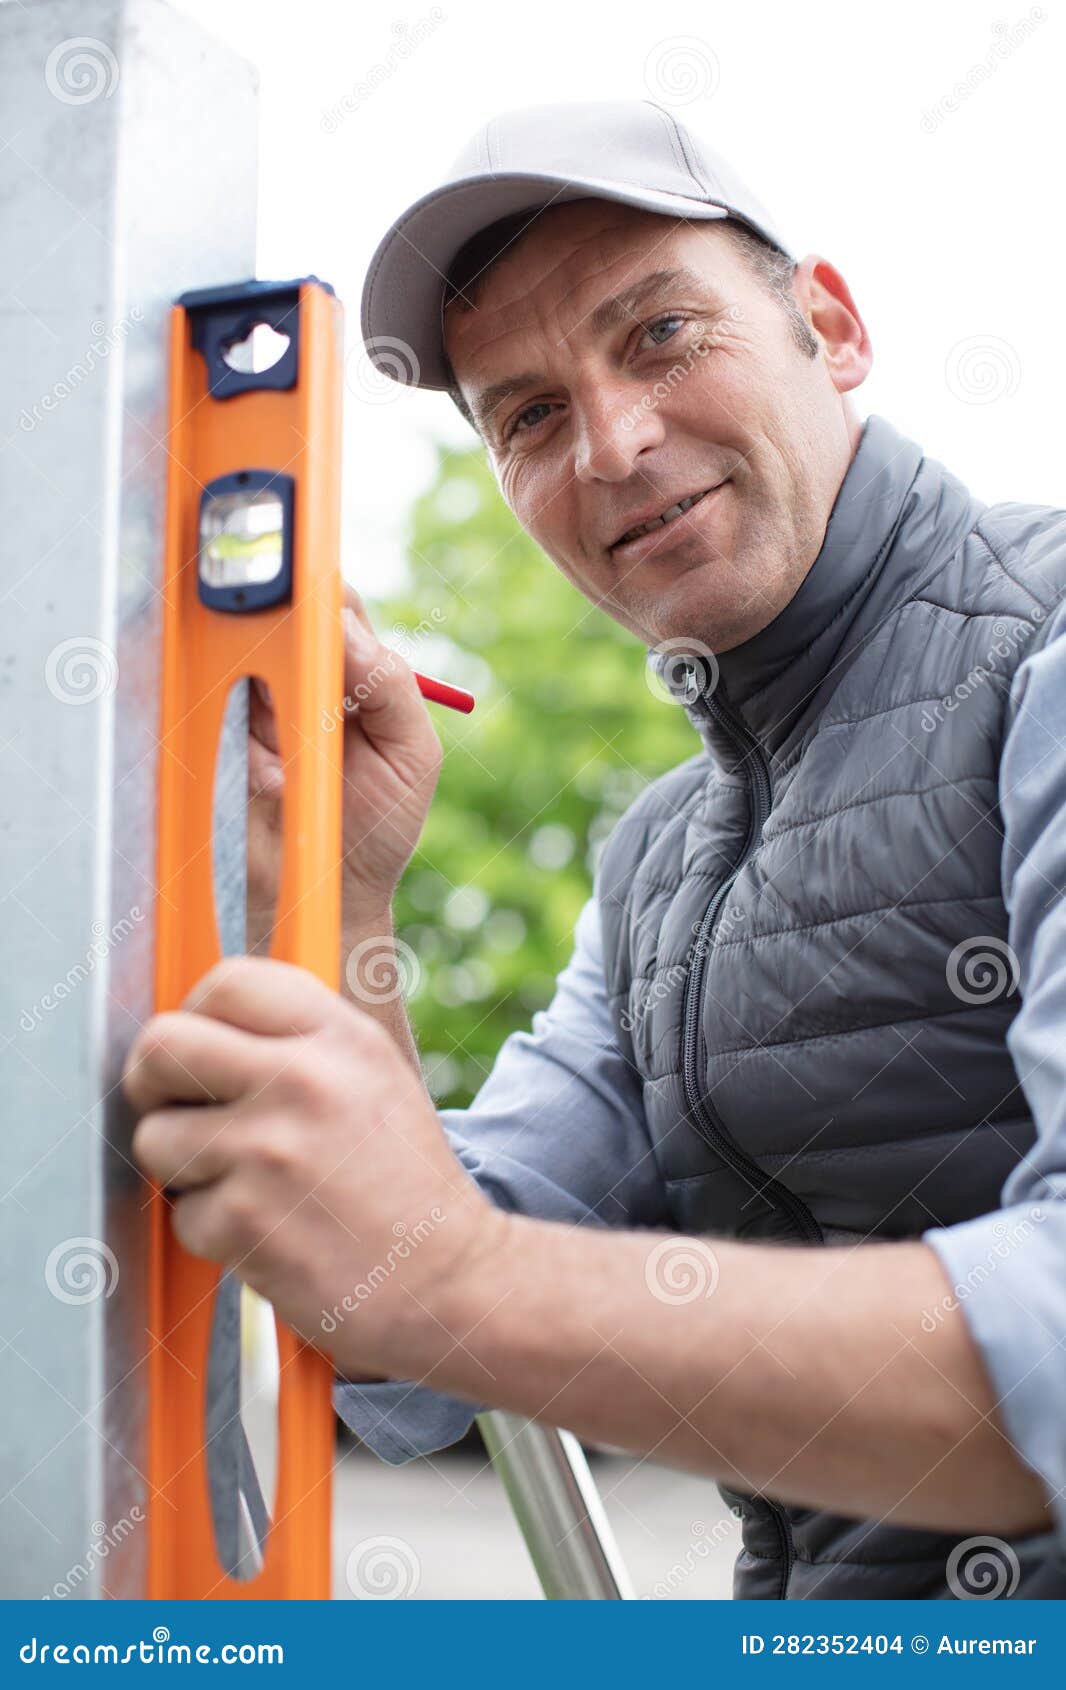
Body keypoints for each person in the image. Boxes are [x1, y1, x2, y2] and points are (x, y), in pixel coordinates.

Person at [124, 102, 1066, 1599]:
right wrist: (333, 887)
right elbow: (390, 1344)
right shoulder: (656, 872)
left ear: (827, 324)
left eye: (660, 335)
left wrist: (456, 1278)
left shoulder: (1047, 648)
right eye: (530, 416)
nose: (616, 444)